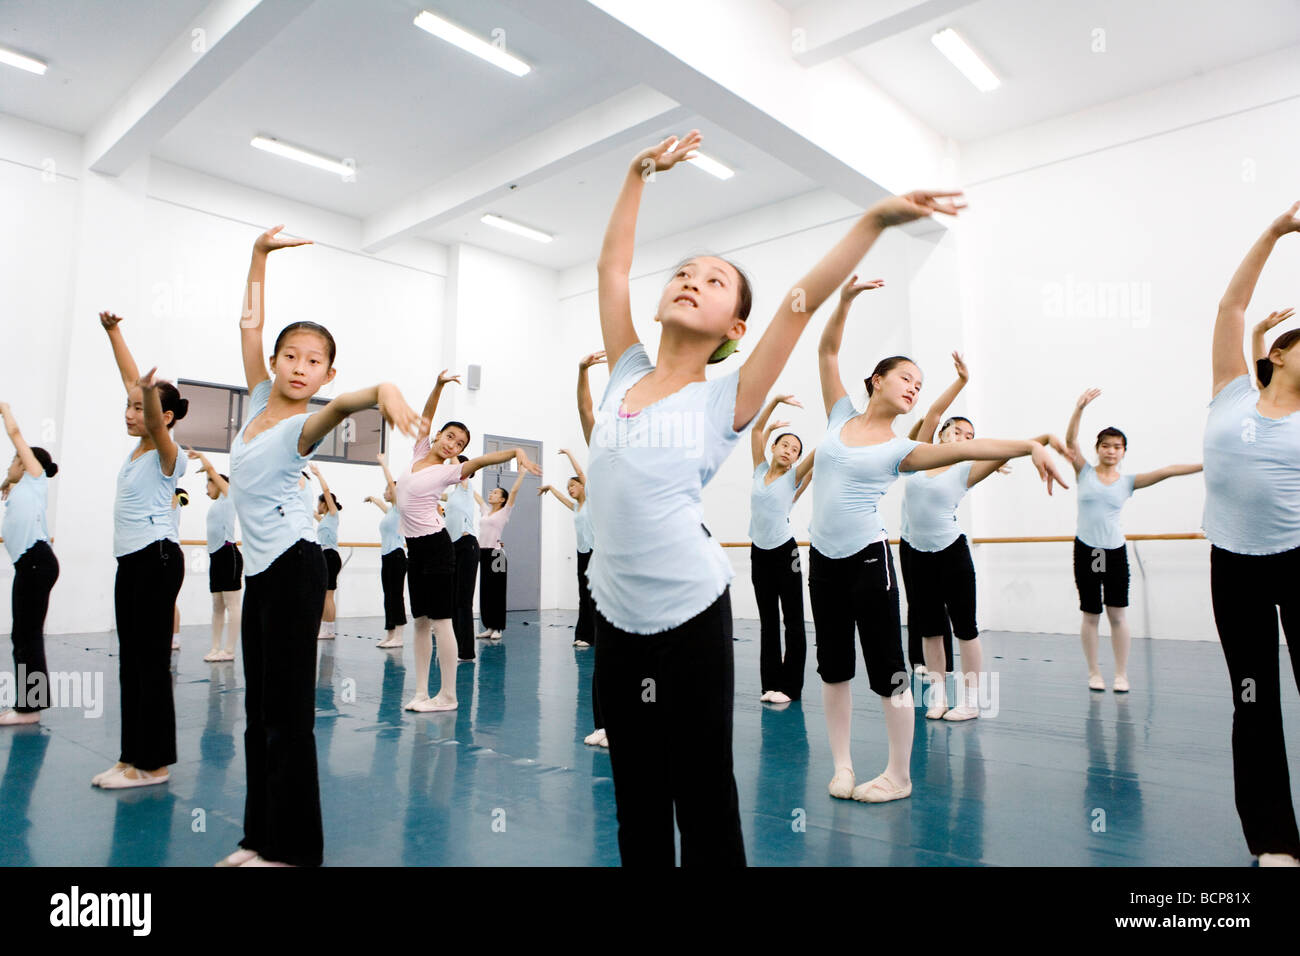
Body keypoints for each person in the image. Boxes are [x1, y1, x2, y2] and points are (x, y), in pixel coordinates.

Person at [590, 127, 965, 865]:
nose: (691, 279)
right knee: (634, 797)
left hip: (688, 615)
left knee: (700, 793)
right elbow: (612, 268)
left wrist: (874, 222)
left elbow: (798, 306)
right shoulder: (623, 371)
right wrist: (638, 173)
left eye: (715, 280)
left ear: (733, 329)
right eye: (685, 272)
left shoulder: (725, 396)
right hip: (613, 614)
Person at [812, 276, 1068, 804]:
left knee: (889, 671)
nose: (912, 388)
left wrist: (1030, 445)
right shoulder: (839, 417)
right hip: (821, 561)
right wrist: (846, 299)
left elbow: (968, 450)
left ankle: (899, 775)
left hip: (868, 562)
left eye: (919, 385)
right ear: (877, 380)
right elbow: (828, 349)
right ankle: (841, 766)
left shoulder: (902, 449)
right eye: (905, 378)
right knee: (834, 668)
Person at [216, 224, 424, 867]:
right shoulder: (256, 402)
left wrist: (384, 391)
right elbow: (249, 327)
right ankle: (260, 837)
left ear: (328, 372)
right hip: (264, 574)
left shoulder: (302, 425)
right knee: (258, 709)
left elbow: (343, 410)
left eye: (315, 362)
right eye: (291, 356)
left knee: (289, 714)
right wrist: (257, 257)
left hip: (297, 570)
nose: (300, 368)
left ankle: (295, 849)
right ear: (277, 362)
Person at [1204, 201, 1300, 866]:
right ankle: (1273, 843)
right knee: (1254, 698)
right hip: (1233, 566)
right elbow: (1230, 310)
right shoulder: (1232, 390)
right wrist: (1272, 232)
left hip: (1297, 561)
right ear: (1280, 353)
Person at [899, 355, 1063, 719]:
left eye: (970, 437)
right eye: (958, 432)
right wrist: (960, 382)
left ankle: (971, 700)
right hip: (918, 554)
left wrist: (1043, 442)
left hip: (951, 554)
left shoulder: (965, 472)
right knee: (929, 631)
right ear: (942, 434)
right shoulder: (915, 458)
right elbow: (932, 414)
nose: (964, 439)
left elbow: (1007, 449)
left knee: (965, 629)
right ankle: (940, 696)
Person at [397, 369, 540, 712]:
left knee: (441, 622)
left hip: (436, 548)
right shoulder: (418, 454)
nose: (452, 445)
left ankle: (447, 695)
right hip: (414, 550)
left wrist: (514, 451)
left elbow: (482, 460)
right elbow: (426, 416)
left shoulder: (449, 471)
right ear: (438, 437)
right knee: (419, 623)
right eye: (450, 437)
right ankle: (420, 691)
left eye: (459, 444)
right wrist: (438, 385)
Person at [93, 311, 188, 789]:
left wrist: (148, 395)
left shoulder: (170, 456)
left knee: (149, 661)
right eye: (127, 406)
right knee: (131, 658)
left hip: (157, 560)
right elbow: (133, 381)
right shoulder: (135, 451)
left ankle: (154, 764)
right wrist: (114, 333)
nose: (130, 414)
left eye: (140, 408)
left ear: (164, 418)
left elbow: (149, 408)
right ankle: (132, 755)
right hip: (132, 561)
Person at [1065, 389, 1202, 691]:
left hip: (1114, 551)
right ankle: (1093, 672)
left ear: (1124, 451)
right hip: (1086, 549)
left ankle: (1121, 674)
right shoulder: (1084, 472)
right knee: (1091, 613)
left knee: (1117, 614)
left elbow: (1167, 471)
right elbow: (1070, 442)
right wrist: (1079, 409)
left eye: (1117, 447)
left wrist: (1205, 465)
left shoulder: (1128, 482)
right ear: (1098, 448)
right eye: (1105, 446)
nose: (1111, 451)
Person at [747, 394, 815, 704]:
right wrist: (773, 401)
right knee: (768, 621)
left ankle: (791, 687)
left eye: (795, 450)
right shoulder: (759, 470)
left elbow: (817, 455)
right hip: (759, 554)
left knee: (793, 620)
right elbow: (756, 431)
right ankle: (770, 684)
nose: (789, 451)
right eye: (785, 445)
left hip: (785, 553)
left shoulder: (793, 479)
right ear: (774, 448)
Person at [0, 403, 59, 726]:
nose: (9, 463)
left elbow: (14, 433)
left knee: (27, 635)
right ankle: (28, 705)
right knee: (22, 634)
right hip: (31, 565)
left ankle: (29, 708)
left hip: (37, 562)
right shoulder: (20, 489)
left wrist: (4, 408)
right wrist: (5, 484)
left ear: (24, 464)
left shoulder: (34, 479)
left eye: (13, 459)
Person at [188, 449, 242, 662]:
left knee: (232, 604)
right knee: (217, 605)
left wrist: (202, 458)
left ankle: (228, 650)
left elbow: (214, 473)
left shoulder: (229, 497)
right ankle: (215, 648)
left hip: (229, 554)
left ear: (217, 484)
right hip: (216, 557)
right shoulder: (217, 505)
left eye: (208, 485)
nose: (206, 490)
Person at [476, 469, 526, 641]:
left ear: (502, 499)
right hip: (482, 552)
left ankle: (498, 627)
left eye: (496, 493)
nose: (492, 494)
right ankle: (489, 626)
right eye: (492, 492)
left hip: (497, 555)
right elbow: (474, 495)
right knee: (486, 590)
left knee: (497, 591)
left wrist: (521, 474)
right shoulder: (485, 511)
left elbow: (514, 492)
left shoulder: (504, 512)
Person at [366, 452, 406, 649]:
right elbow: (383, 505)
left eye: (387, 490)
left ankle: (399, 636)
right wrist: (373, 499)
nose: (385, 491)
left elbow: (391, 483)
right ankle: (390, 634)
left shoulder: (400, 507)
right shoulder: (391, 511)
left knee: (395, 595)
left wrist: (383, 463)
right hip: (387, 557)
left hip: (397, 556)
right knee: (388, 595)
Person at [441, 454, 479, 661]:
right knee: (454, 600)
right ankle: (455, 645)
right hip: (453, 547)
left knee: (463, 601)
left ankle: (466, 651)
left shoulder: (466, 487)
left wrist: (451, 450)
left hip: (467, 546)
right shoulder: (455, 494)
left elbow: (460, 469)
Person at [311, 465, 341, 641]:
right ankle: (327, 628)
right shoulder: (325, 520)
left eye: (318, 503)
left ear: (325, 503)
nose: (317, 506)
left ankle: (329, 630)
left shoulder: (333, 513)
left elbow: (327, 490)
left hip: (330, 556)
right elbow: (314, 514)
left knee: (328, 594)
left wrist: (318, 474)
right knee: (325, 593)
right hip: (326, 555)